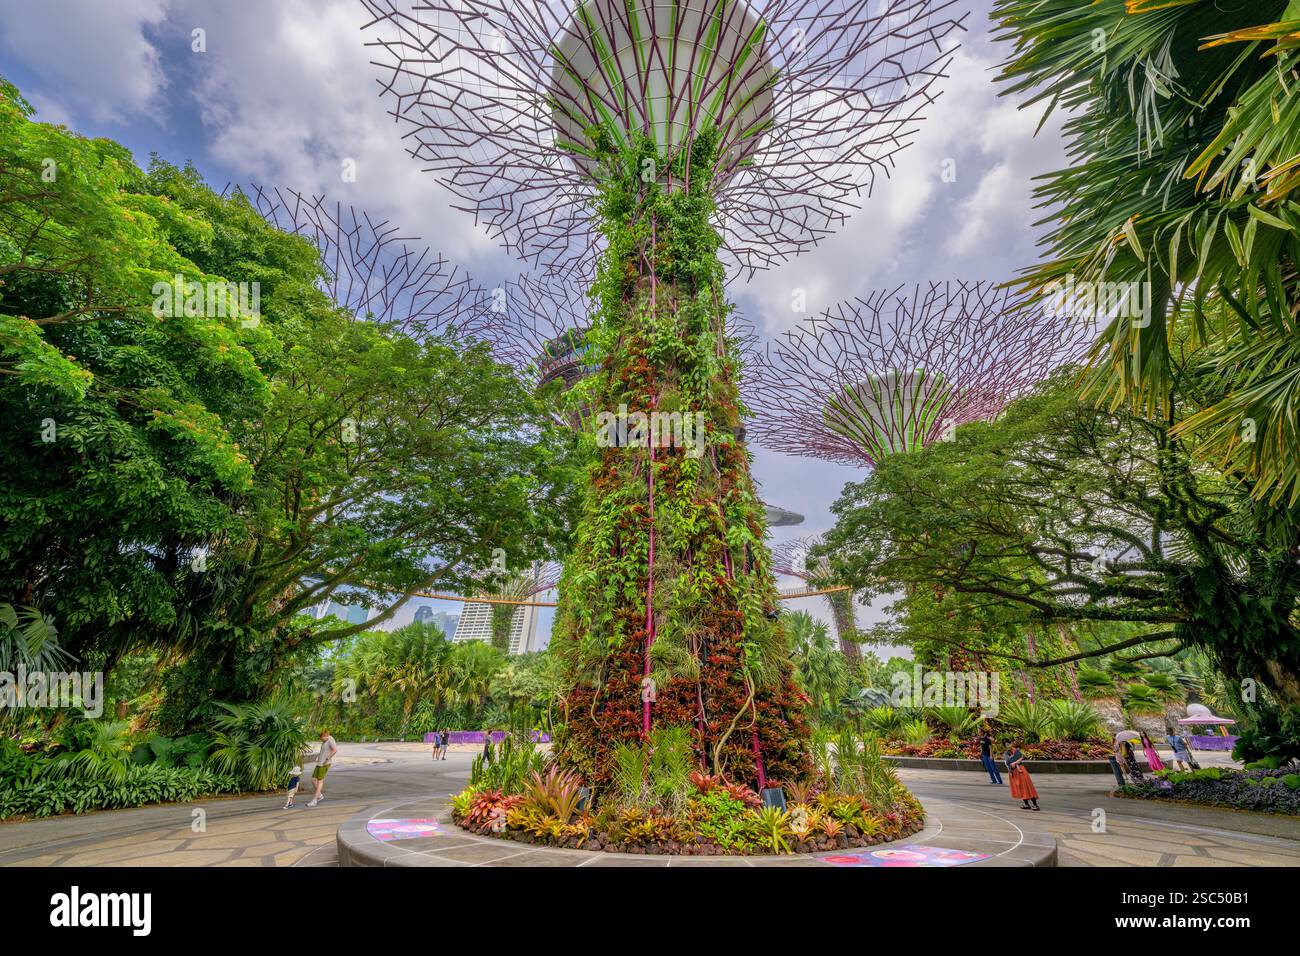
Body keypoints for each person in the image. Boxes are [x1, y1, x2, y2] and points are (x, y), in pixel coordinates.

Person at [306, 728, 337, 808]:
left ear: (325, 736)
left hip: (324, 764)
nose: (321, 739)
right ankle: (319, 795)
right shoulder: (325, 741)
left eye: (321, 738)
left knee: (320, 781)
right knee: (313, 779)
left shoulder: (330, 740)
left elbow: (335, 750)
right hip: (319, 763)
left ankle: (314, 800)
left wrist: (327, 758)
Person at [1004, 743, 1039, 810]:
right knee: (1020, 788)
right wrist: (1008, 764)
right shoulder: (1007, 753)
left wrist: (1015, 763)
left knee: (1027, 786)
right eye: (1011, 747)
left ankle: (1035, 805)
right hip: (1013, 771)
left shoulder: (1018, 753)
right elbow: (1006, 761)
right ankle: (1026, 804)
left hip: (1020, 770)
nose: (1012, 748)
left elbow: (1021, 758)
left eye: (1014, 747)